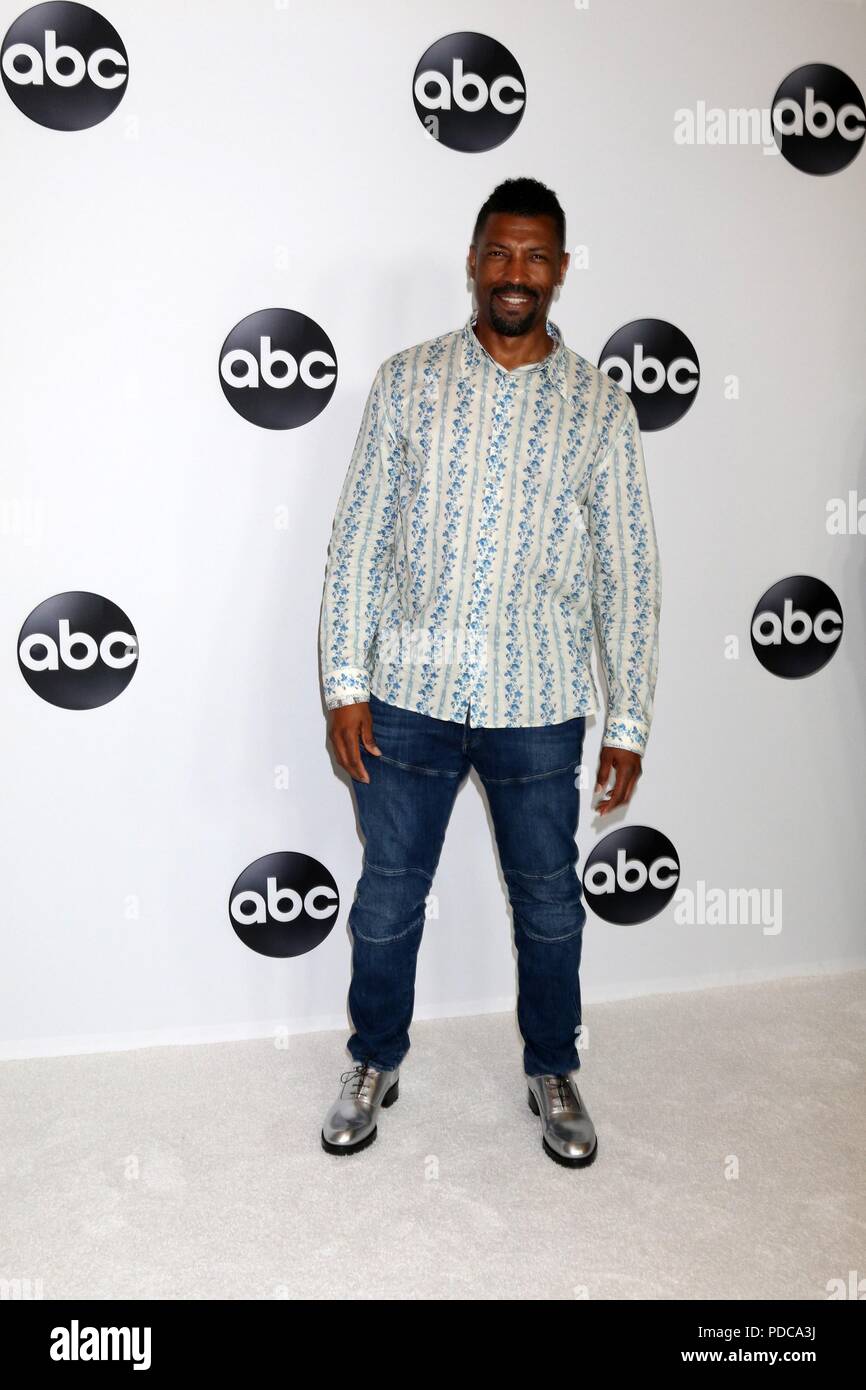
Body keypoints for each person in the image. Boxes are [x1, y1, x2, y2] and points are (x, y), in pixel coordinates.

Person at [317, 176, 662, 1166]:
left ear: (559, 269)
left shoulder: (598, 406)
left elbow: (626, 572)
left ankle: (552, 1067)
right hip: (409, 699)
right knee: (388, 895)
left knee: (549, 902)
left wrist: (626, 719)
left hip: (538, 702)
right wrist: (345, 680)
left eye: (536, 256)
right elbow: (358, 544)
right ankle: (371, 1059)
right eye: (499, 254)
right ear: (472, 262)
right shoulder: (404, 380)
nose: (516, 274)